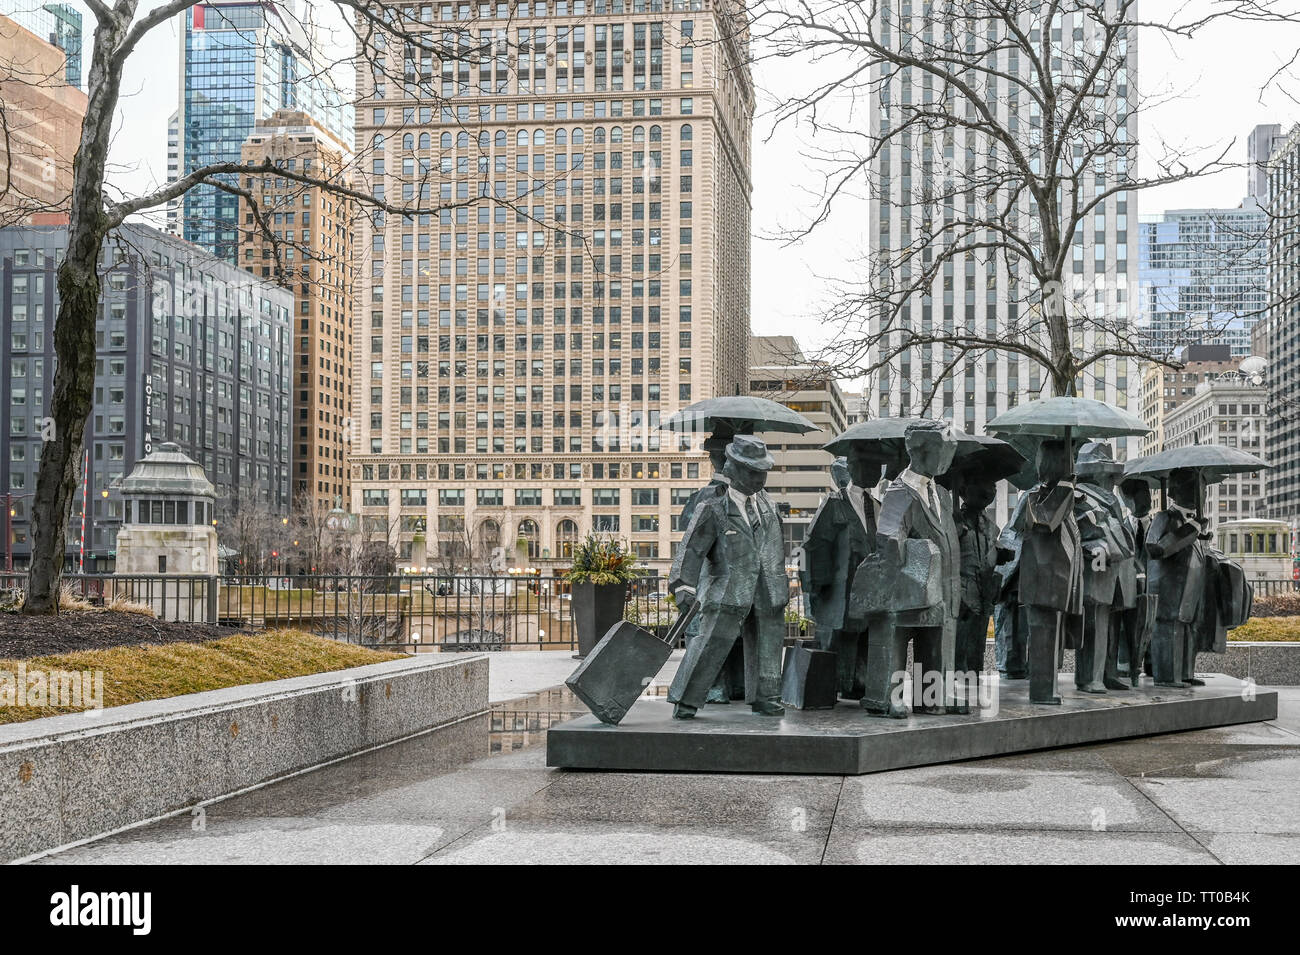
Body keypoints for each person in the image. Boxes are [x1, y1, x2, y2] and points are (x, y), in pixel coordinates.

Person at [668, 436, 791, 718]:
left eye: (763, 471)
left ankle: (766, 696)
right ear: (732, 469)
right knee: (710, 642)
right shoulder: (713, 508)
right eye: (752, 471)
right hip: (727, 588)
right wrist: (683, 585)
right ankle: (686, 699)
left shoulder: (770, 507)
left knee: (769, 643)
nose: (759, 478)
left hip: (768, 589)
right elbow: (691, 550)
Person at [856, 420, 963, 718]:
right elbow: (889, 538)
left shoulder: (941, 494)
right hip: (909, 586)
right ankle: (886, 697)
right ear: (920, 450)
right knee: (896, 639)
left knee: (937, 642)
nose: (948, 458)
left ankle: (934, 697)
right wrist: (901, 579)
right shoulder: (899, 492)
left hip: (942, 585)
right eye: (944, 450)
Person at [1004, 439, 1082, 705]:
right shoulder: (1035, 497)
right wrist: (1065, 489)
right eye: (1069, 462)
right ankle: (1042, 690)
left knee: (1051, 636)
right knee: (1042, 636)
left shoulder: (1064, 498)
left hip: (1056, 583)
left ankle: (1048, 688)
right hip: (1042, 582)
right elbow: (1044, 521)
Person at [802, 447, 878, 699]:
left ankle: (858, 683)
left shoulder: (877, 506)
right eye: (869, 467)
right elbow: (813, 545)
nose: (875, 473)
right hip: (838, 590)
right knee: (837, 640)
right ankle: (833, 685)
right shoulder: (834, 503)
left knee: (865, 638)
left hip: (869, 591)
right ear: (854, 469)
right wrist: (815, 589)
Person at [676, 431, 744, 702]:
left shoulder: (743, 495)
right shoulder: (707, 494)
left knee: (729, 633)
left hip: (731, 575)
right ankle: (715, 687)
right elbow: (690, 534)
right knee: (709, 633)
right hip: (713, 574)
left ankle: (732, 685)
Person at [1073, 443, 1138, 693]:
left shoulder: (1108, 499)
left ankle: (1108, 673)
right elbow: (1079, 531)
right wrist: (1094, 546)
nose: (1113, 480)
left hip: (1116, 571)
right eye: (1109, 473)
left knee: (1111, 625)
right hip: (1095, 568)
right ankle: (1090, 677)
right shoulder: (1080, 497)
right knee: (1094, 623)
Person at [1146, 468, 1208, 688]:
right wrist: (1191, 530)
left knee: (1188, 630)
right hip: (1167, 588)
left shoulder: (1195, 522)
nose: (1199, 494)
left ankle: (1185, 673)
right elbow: (1154, 548)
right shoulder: (1164, 517)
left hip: (1189, 589)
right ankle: (1167, 676)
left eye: (1202, 489)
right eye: (1193, 487)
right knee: (1168, 630)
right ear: (1176, 491)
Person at [955, 477, 1000, 675]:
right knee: (959, 645)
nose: (989, 490)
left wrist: (1000, 554)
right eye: (981, 484)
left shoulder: (989, 525)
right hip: (961, 593)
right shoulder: (955, 521)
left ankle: (973, 678)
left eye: (992, 485)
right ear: (964, 490)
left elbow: (990, 553)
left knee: (976, 650)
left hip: (983, 592)